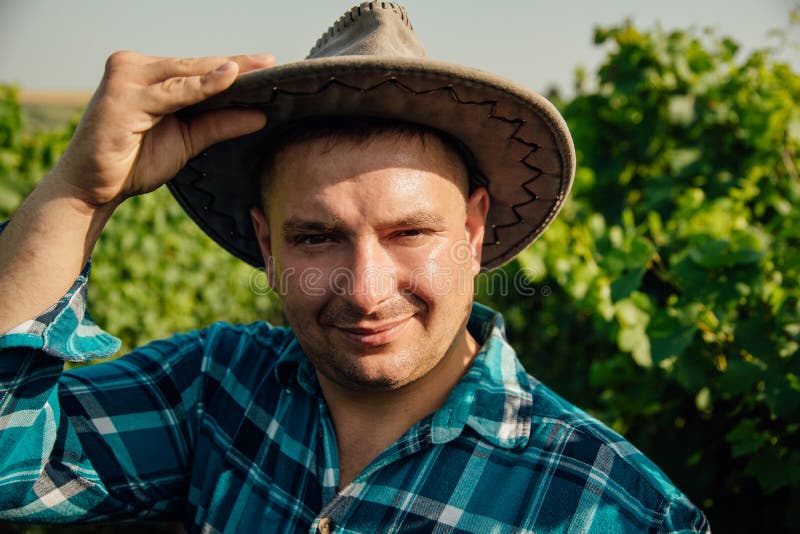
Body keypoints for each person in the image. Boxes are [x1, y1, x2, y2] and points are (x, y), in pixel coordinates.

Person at [0, 2, 710, 532]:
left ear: (473, 228)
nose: (366, 291)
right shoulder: (216, 389)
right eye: (315, 239)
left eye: (409, 232)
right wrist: (76, 194)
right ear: (267, 245)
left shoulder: (608, 505)